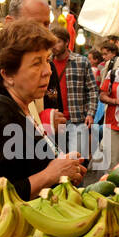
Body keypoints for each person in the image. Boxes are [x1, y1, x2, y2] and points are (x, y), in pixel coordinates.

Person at [0, 19, 85, 217]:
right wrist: (51, 174)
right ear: (7, 74)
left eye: (47, 60)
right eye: (36, 63)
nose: (48, 71)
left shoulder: (20, 107)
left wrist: (63, 168)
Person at [42, 28, 97, 156]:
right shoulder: (46, 62)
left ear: (67, 42)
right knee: (57, 160)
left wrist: (90, 114)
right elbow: (50, 90)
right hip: (55, 119)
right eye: (52, 43)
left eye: (58, 42)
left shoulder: (81, 62)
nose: (54, 46)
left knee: (75, 159)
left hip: (76, 119)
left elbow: (92, 90)